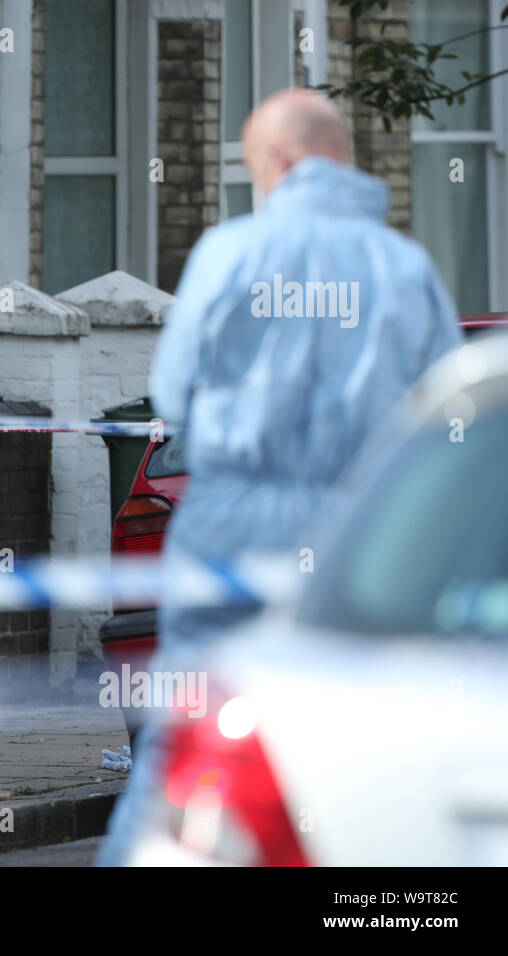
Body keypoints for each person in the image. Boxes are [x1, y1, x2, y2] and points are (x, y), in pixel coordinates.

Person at [98, 89, 463, 863]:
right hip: (358, 531)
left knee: (188, 730)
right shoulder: (404, 268)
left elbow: (173, 392)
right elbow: (441, 412)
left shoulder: (230, 255)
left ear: (283, 164)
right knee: (359, 738)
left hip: (231, 524)